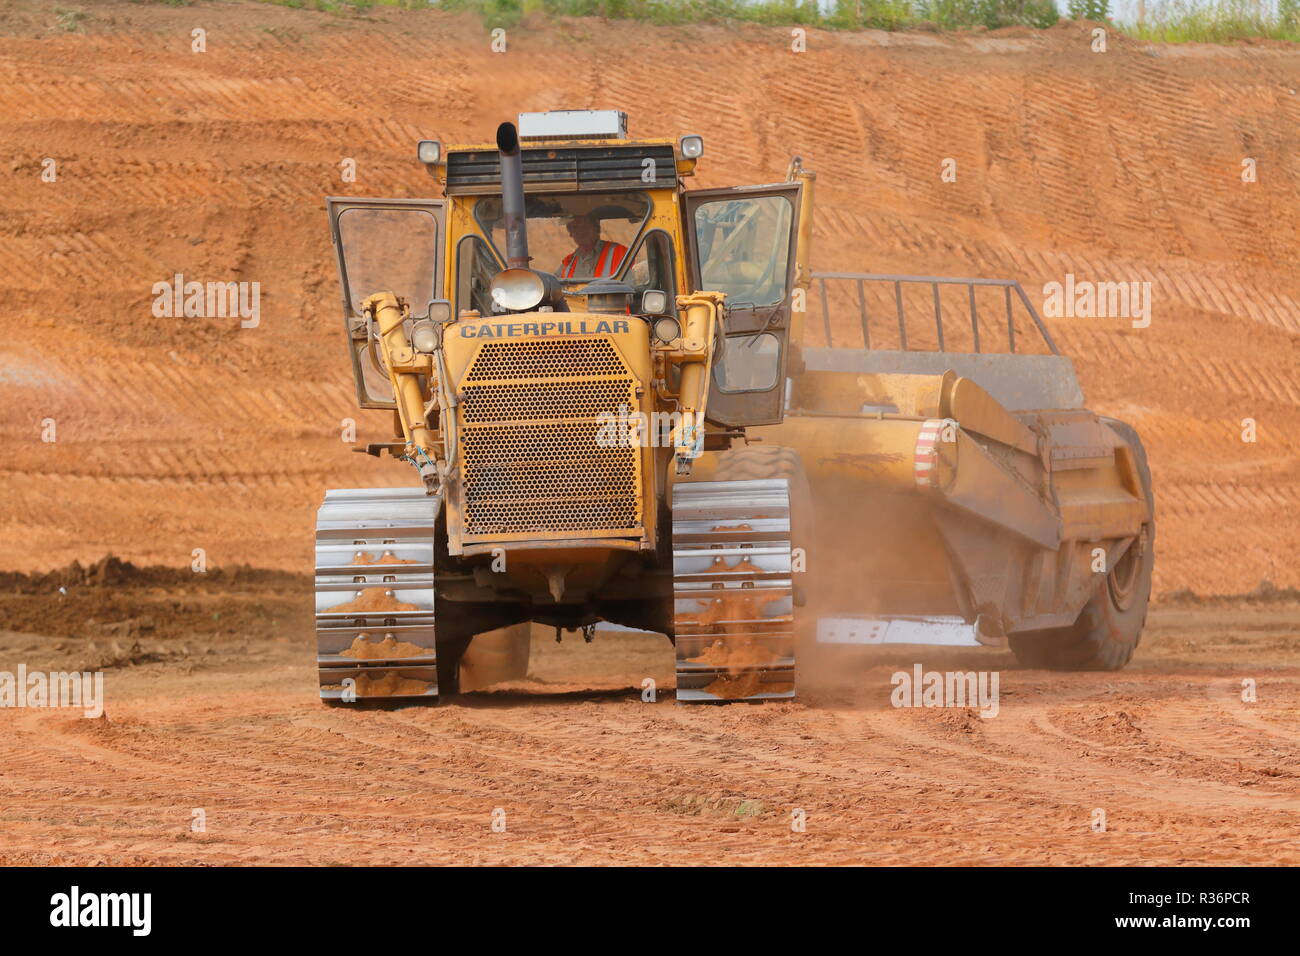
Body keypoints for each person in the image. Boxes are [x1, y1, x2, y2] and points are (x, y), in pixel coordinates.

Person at [559, 212, 627, 279]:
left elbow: (629, 285)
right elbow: (554, 284)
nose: (580, 231)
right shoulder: (568, 262)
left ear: (597, 228)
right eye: (575, 227)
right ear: (570, 232)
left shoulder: (619, 252)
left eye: (585, 226)